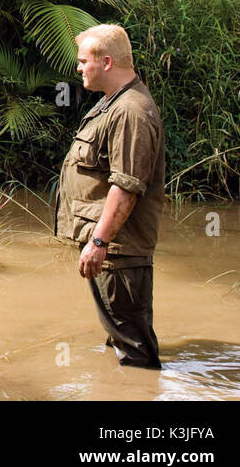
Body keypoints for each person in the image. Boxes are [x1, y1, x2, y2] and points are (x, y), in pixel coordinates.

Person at [54, 24, 165, 369]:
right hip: (112, 251)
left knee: (137, 355)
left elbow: (126, 186)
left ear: (106, 62)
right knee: (121, 341)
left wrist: (99, 242)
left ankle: (139, 394)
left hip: (118, 252)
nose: (78, 68)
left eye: (83, 61)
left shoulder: (131, 111)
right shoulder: (114, 103)